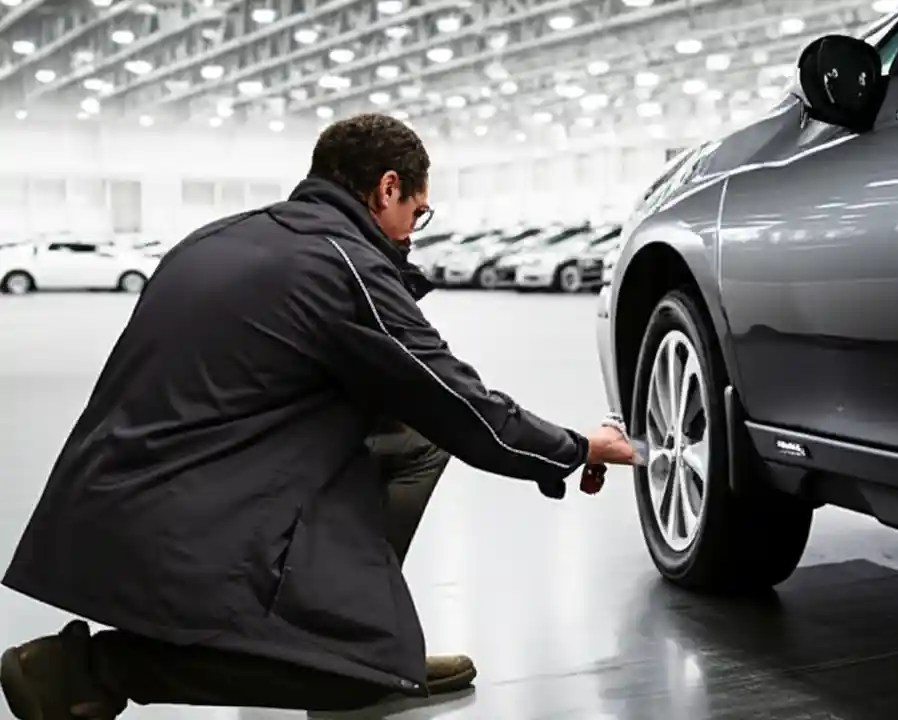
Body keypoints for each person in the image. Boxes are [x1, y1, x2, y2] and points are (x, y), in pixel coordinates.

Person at [0, 113, 636, 718]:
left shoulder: (220, 237)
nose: (412, 231)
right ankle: (93, 670)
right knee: (349, 680)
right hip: (182, 522)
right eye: (416, 211)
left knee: (410, 437)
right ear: (388, 188)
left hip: (108, 503)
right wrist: (579, 447)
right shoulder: (342, 266)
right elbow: (454, 399)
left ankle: (364, 626)